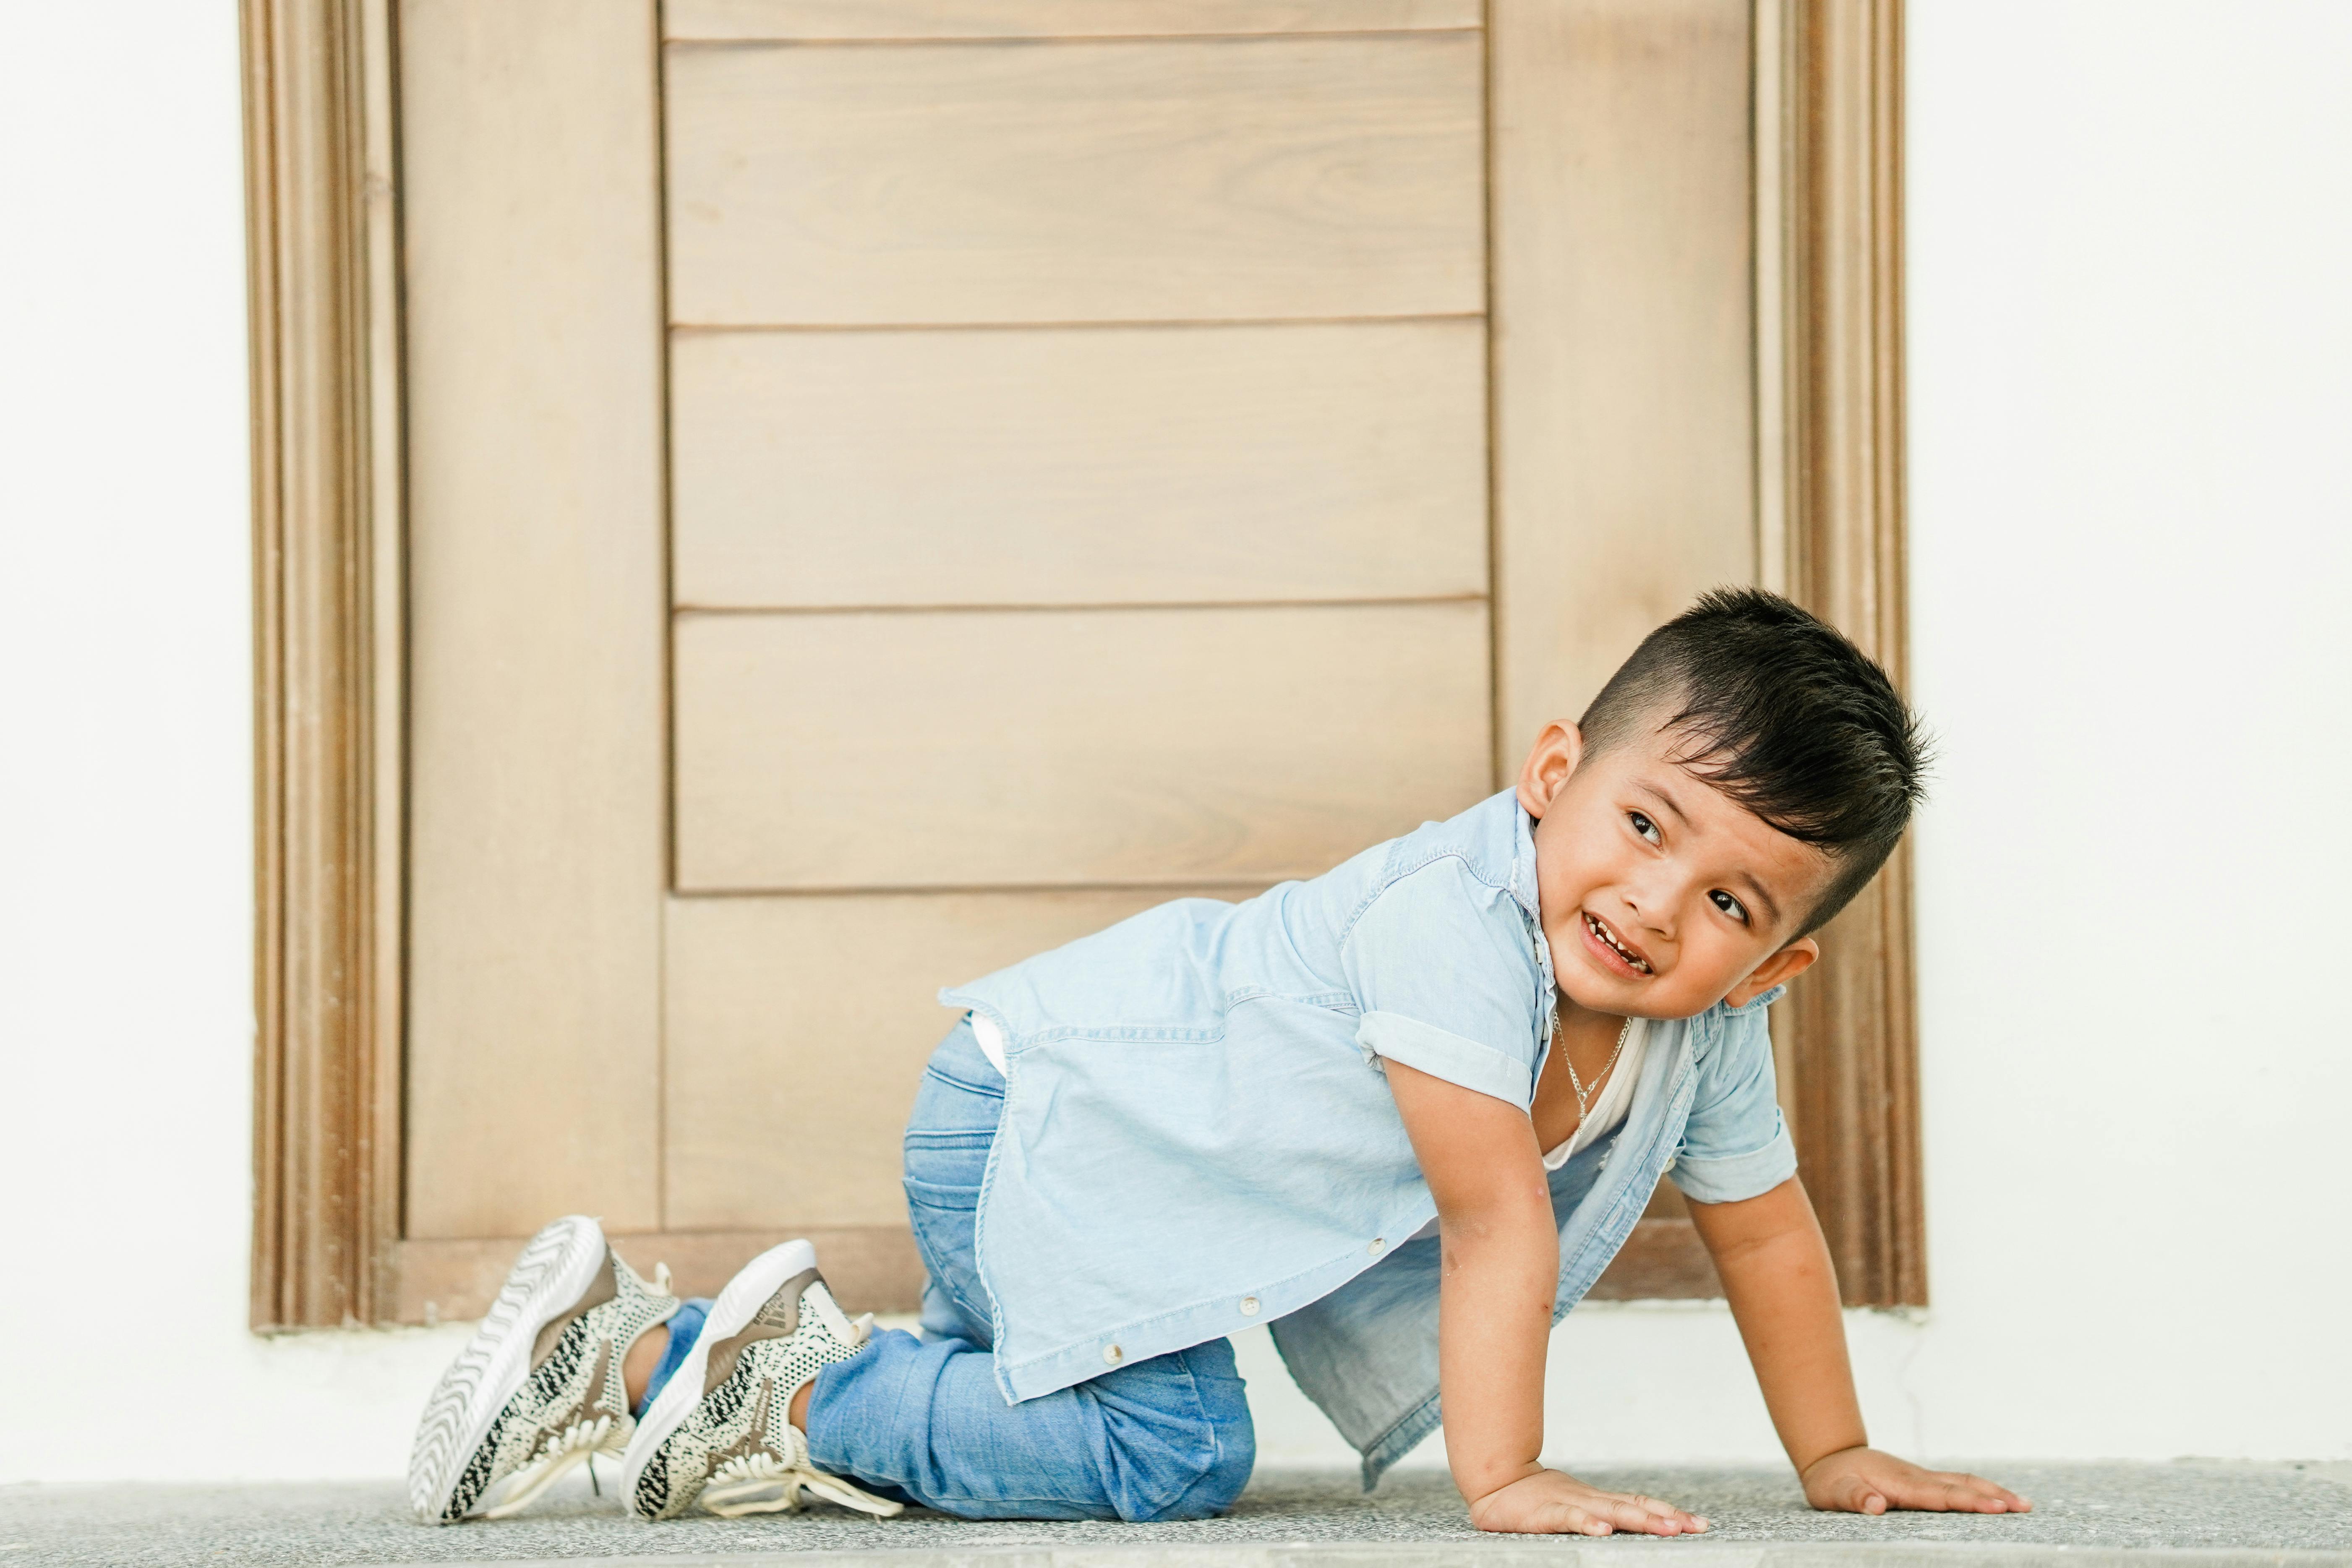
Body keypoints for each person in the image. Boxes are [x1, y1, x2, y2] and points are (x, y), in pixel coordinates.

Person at [407, 587, 2032, 1533]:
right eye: (1644, 825)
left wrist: (1833, 1450)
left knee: (1005, 1427)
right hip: (1045, 1108)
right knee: (1168, 1448)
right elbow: (1493, 1223)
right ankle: (707, 1369)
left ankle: (686, 1350)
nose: (1653, 904)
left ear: (1778, 958)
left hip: (1107, 1159)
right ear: (1555, 772)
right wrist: (1509, 1470)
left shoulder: (1710, 1026)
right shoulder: (1448, 925)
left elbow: (1765, 1224)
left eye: (1728, 898)